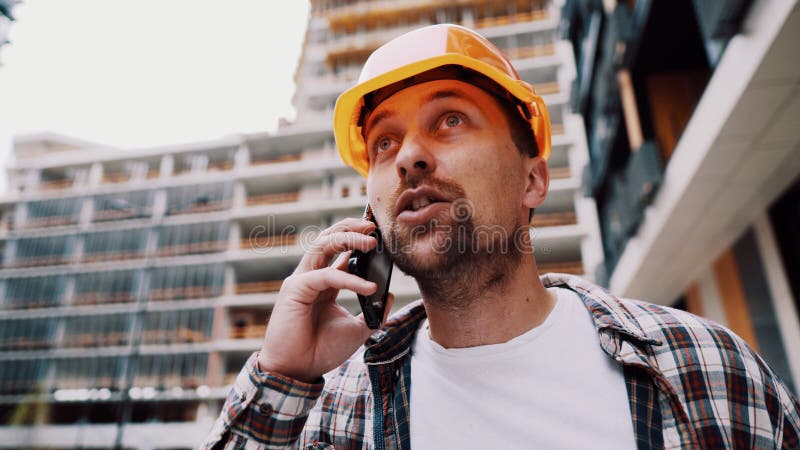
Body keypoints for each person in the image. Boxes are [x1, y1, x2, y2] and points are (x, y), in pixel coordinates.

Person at [202, 24, 800, 449]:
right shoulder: (336, 412)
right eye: (384, 141)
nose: (408, 155)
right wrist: (279, 376)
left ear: (533, 179)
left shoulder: (708, 370)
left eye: (450, 120)